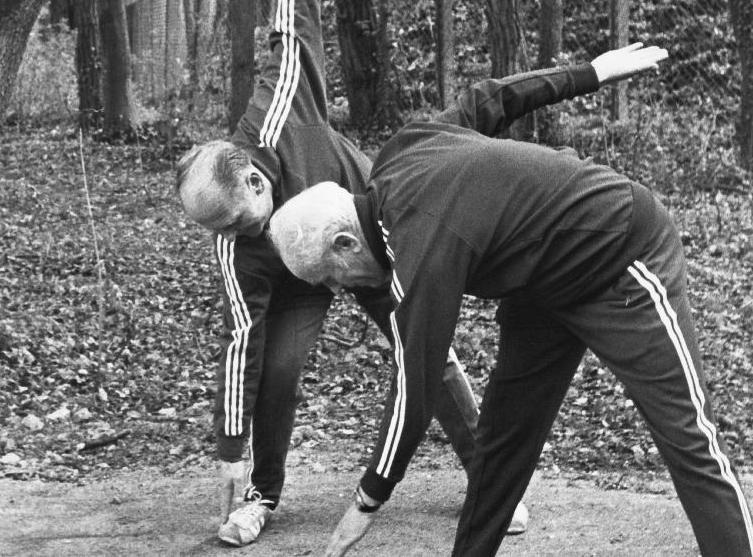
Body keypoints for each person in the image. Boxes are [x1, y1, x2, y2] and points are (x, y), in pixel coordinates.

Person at [265, 43, 753, 556]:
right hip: (541, 284)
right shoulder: (399, 153)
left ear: (345, 243)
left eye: (333, 277)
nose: (341, 289)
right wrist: (590, 72)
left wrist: (367, 500)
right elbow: (488, 99)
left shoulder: (418, 249)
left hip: (622, 257)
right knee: (502, 443)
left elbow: (416, 392)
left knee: (688, 437)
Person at [175, 0, 539, 546]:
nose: (234, 238)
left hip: (365, 240)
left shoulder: (284, 107)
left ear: (254, 178)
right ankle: (261, 493)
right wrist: (229, 444)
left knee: (428, 351)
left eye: (237, 222)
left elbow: (294, 24)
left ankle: (491, 482)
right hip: (296, 286)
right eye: (223, 233)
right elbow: (240, 344)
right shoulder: (238, 243)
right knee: (278, 368)